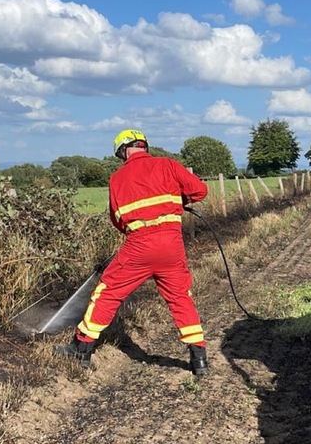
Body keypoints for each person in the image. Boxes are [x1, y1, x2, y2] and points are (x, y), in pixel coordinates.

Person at [54, 129, 211, 376]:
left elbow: (117, 220)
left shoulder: (117, 179)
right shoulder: (168, 165)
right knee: (180, 297)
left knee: (107, 293)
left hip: (139, 245)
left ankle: (81, 348)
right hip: (172, 244)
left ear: (123, 151)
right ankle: (199, 357)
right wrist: (177, 201)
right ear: (144, 146)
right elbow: (200, 191)